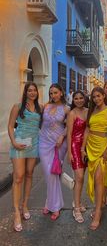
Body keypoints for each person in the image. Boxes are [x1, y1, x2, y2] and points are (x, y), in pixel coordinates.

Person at [81, 87, 107, 230]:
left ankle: (97, 212)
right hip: (91, 147)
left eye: (98, 96)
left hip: (103, 147)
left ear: (103, 96)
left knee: (98, 179)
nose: (96, 99)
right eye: (94, 97)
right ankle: (99, 204)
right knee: (97, 180)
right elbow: (87, 130)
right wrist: (83, 148)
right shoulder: (92, 111)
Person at [8, 82, 42, 232]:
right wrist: (14, 142)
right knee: (19, 177)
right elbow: (10, 126)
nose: (32, 92)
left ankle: (25, 205)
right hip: (19, 144)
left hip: (34, 144)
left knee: (29, 174)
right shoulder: (17, 106)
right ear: (25, 92)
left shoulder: (40, 108)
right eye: (30, 90)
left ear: (37, 92)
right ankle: (16, 212)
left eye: (34, 90)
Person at [39, 83, 70, 221]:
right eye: (51, 93)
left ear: (61, 93)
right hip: (44, 142)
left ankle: (54, 206)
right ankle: (50, 202)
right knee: (48, 174)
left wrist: (62, 136)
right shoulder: (45, 106)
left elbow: (70, 126)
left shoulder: (66, 108)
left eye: (55, 92)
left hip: (58, 144)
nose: (53, 95)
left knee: (53, 174)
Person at [67, 91, 88, 223]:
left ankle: (78, 202)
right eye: (76, 98)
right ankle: (76, 209)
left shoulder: (88, 110)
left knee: (81, 178)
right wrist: (69, 152)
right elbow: (69, 134)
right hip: (75, 145)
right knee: (79, 177)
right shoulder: (72, 113)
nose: (79, 100)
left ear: (84, 99)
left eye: (81, 98)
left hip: (86, 147)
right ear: (73, 100)